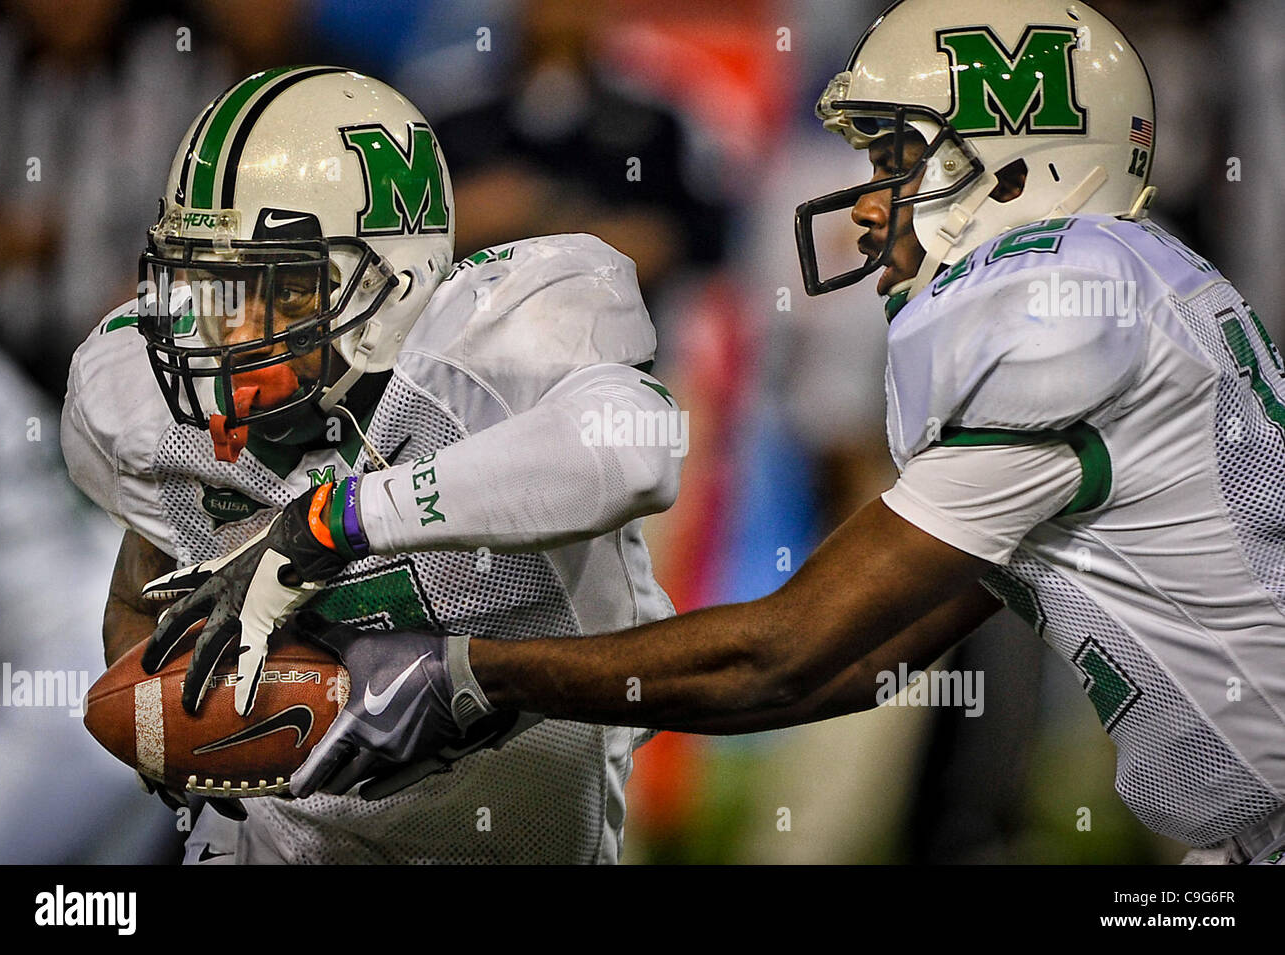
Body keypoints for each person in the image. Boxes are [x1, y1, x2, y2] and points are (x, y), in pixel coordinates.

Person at [131, 0, 1285, 865]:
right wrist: (492, 683)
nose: (869, 198)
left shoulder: (1056, 306)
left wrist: (469, 676)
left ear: (1019, 166)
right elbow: (845, 660)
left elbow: (781, 647)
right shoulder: (1127, 284)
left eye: (898, 158)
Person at [60, 67, 682, 863]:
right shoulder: (142, 403)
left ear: (399, 280)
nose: (228, 336)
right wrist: (164, 711)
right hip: (276, 841)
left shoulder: (485, 358)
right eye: (213, 290)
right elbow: (142, 585)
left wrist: (342, 519)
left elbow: (638, 447)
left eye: (278, 293)